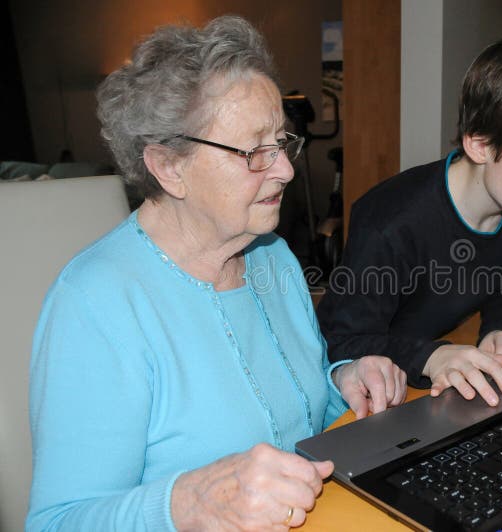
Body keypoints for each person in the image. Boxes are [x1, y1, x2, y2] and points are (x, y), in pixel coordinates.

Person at [27, 16, 407, 531]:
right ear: (169, 167)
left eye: (281, 142)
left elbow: (297, 417)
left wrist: (345, 381)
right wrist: (187, 503)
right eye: (255, 151)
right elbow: (57, 521)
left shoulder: (272, 257)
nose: (285, 170)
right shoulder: (95, 305)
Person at [317, 34, 502, 407]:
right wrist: (431, 357)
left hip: (412, 385)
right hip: (343, 392)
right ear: (481, 145)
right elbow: (343, 342)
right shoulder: (390, 222)